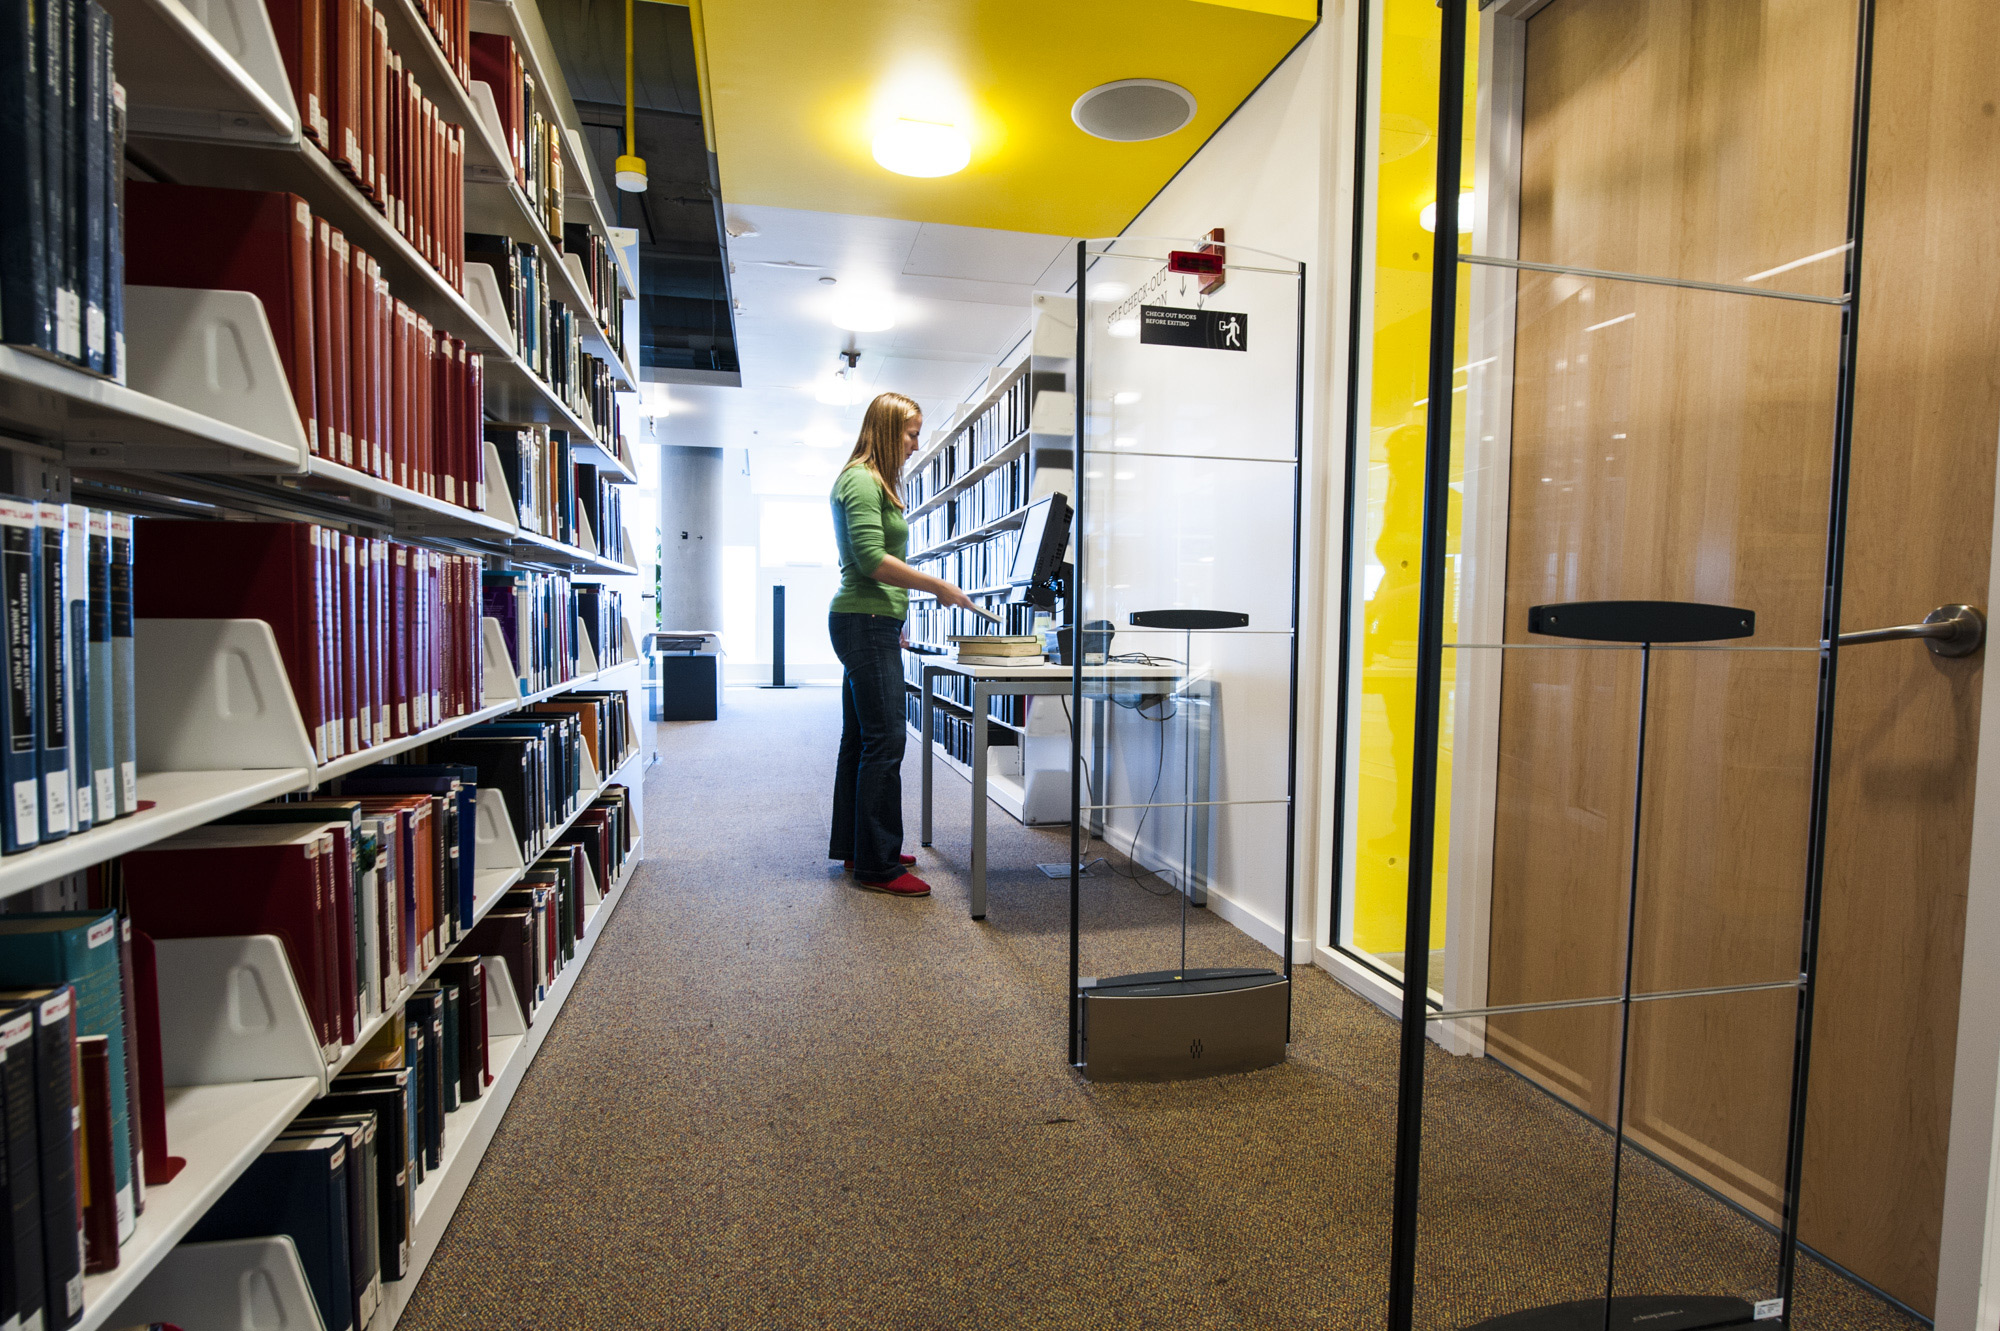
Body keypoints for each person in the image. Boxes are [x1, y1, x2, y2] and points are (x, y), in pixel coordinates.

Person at [827, 392, 976, 897]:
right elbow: (870, 559)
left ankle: (861, 846)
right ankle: (878, 865)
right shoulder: (861, 481)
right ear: (889, 431)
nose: (915, 444)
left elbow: (870, 564)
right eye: (911, 433)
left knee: (863, 738)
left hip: (873, 621)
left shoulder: (872, 482)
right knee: (887, 739)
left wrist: (898, 616)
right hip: (863, 621)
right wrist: (938, 587)